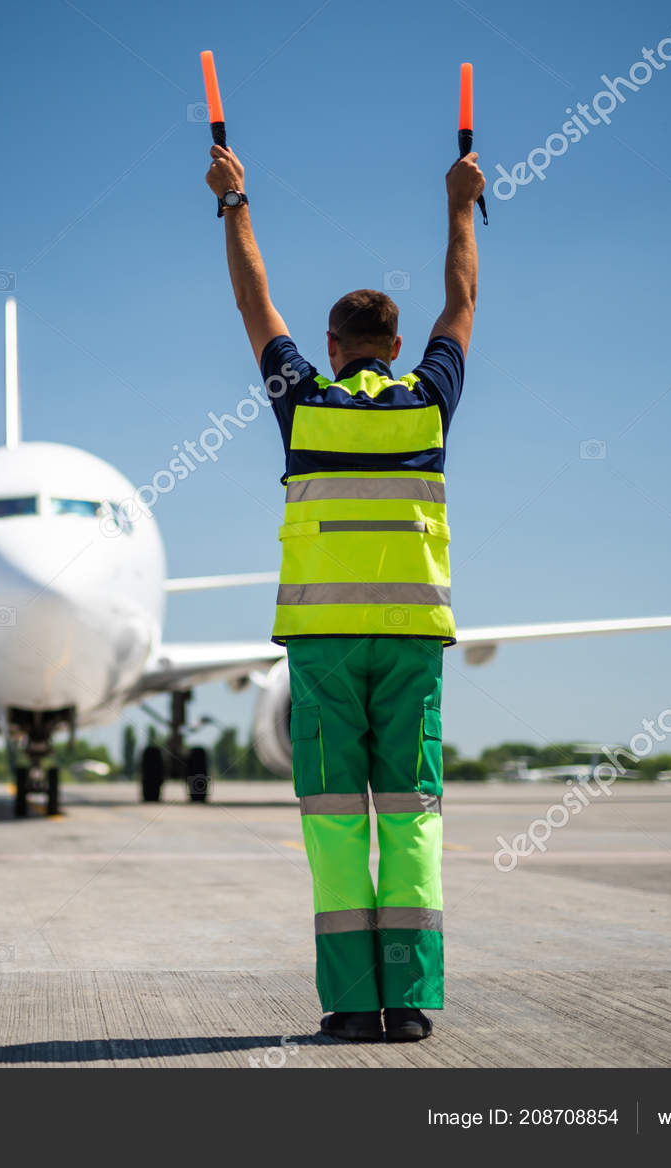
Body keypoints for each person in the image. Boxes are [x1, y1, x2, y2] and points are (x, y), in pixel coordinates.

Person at [206, 142, 484, 1042]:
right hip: (411, 644)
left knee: (333, 826)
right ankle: (408, 1005)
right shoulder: (427, 405)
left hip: (323, 648)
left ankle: (351, 1005)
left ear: (330, 347)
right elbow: (463, 302)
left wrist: (235, 199)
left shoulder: (304, 405)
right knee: (411, 821)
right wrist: (459, 205)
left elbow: (255, 304)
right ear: (398, 349)